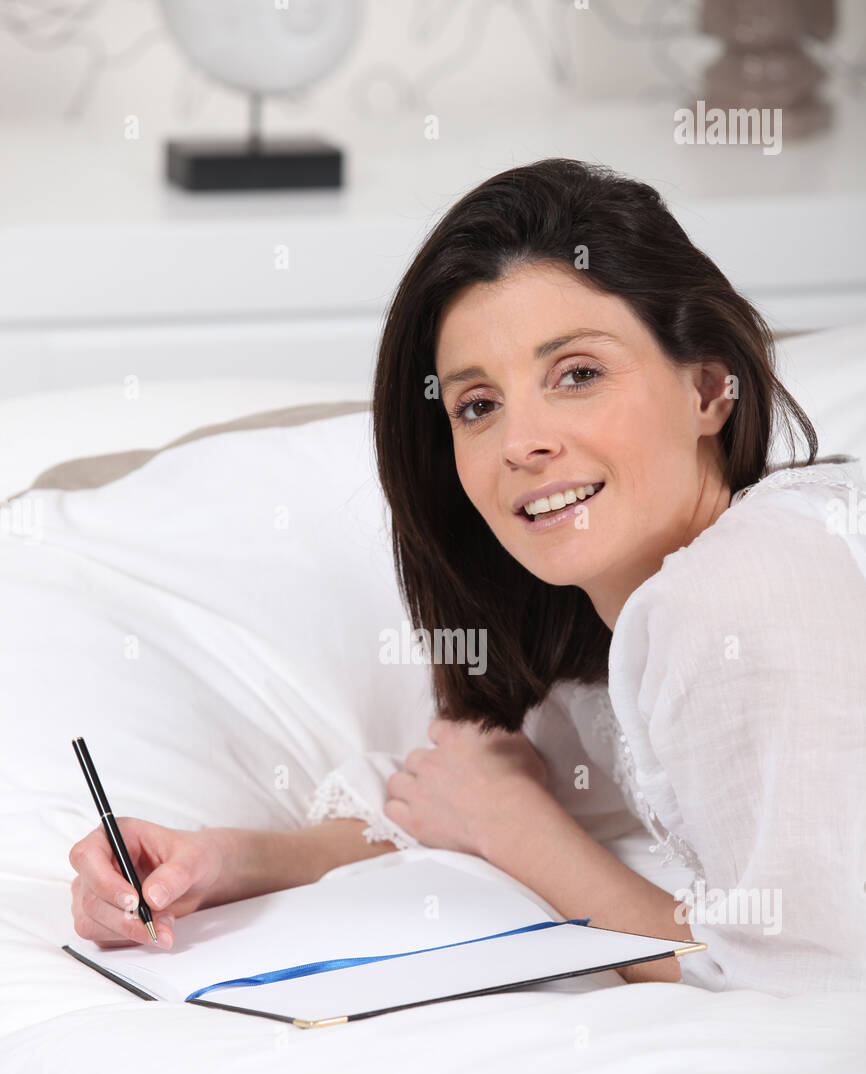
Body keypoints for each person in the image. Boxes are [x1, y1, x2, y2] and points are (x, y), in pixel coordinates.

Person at [69, 159, 866, 992]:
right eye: (478, 405)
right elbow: (458, 795)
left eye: (578, 375)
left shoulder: (750, 585)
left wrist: (527, 835)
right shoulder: (617, 608)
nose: (522, 441)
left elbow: (802, 986)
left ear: (709, 390)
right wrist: (215, 863)